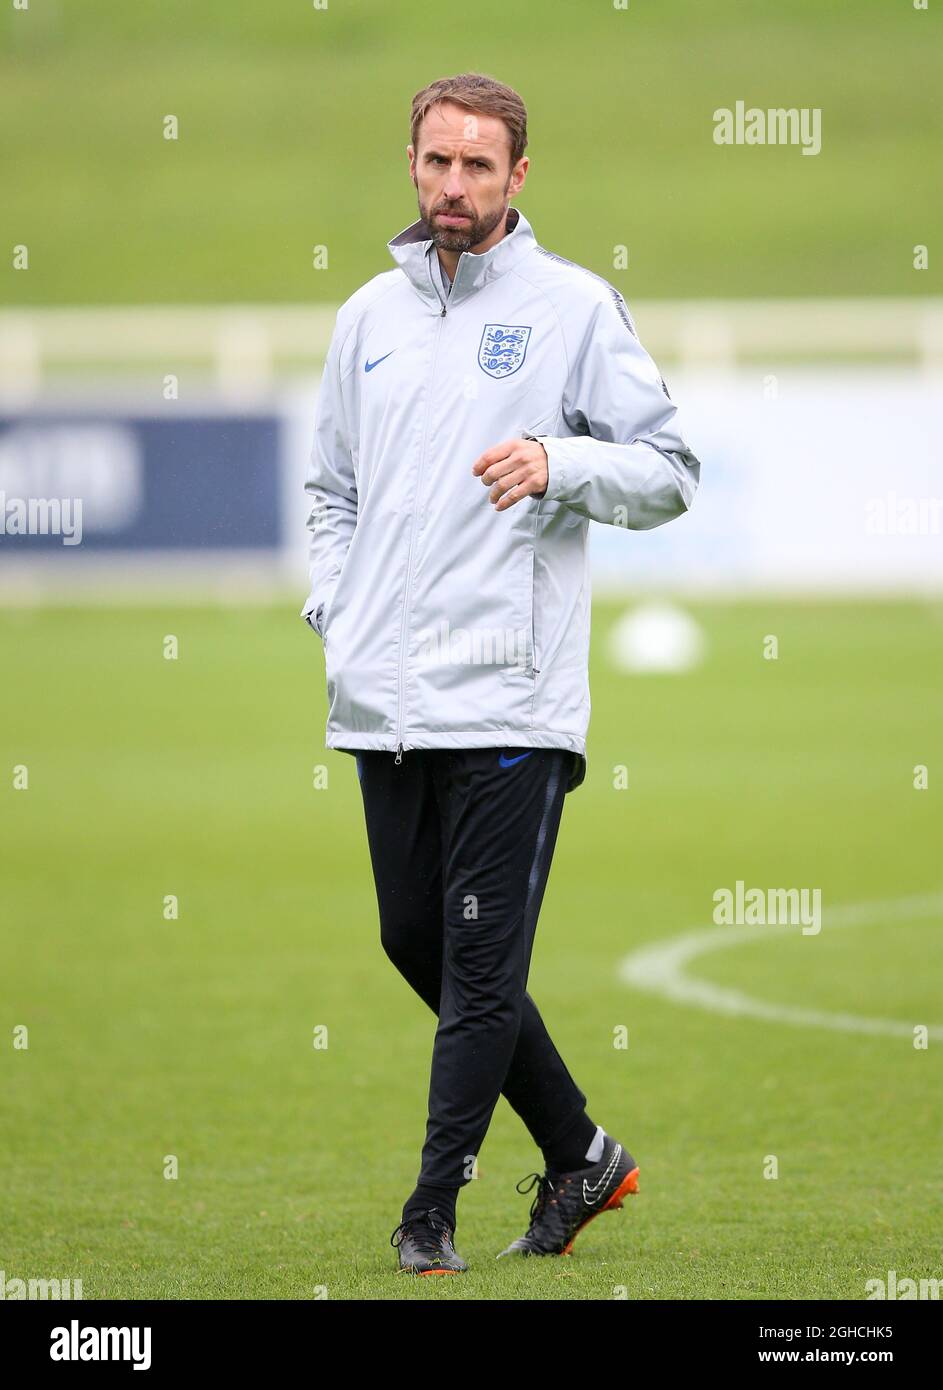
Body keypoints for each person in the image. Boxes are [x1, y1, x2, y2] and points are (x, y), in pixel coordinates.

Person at [301, 72, 700, 1275]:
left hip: (512, 700)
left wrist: (556, 458)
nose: (454, 186)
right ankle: (582, 1151)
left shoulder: (573, 307)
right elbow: (330, 493)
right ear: (411, 166)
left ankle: (429, 1212)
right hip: (386, 701)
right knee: (413, 940)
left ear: (519, 176)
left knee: (479, 967)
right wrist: (336, 607)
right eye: (437, 162)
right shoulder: (366, 316)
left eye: (479, 166)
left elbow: (672, 466)